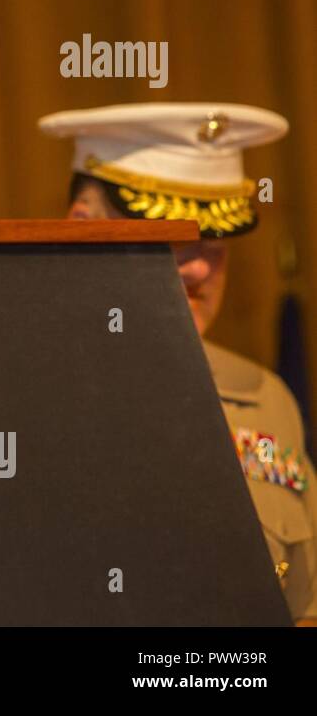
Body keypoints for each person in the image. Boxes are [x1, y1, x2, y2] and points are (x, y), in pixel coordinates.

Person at [39, 102, 316, 624]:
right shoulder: (14, 397)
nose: (197, 267)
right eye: (168, 236)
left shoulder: (264, 398)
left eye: (216, 242)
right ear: (82, 226)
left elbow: (304, 607)